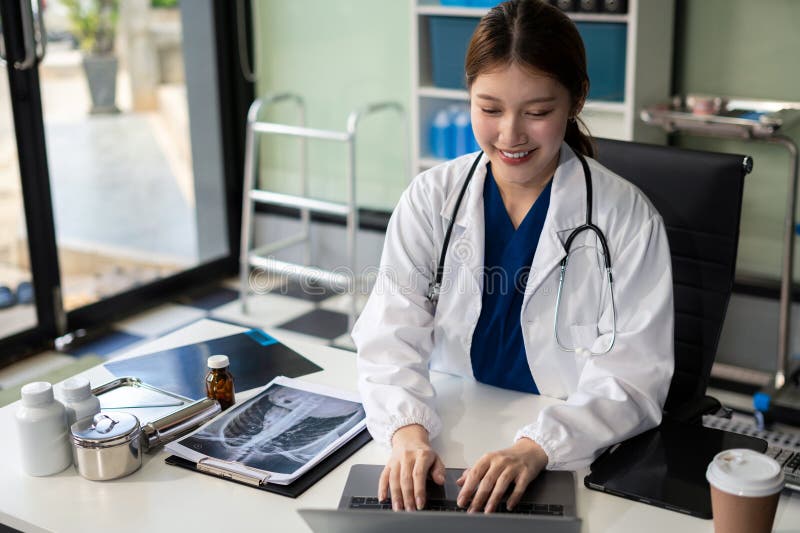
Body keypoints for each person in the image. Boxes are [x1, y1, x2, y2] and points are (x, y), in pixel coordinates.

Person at [352, 0, 674, 515]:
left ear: (575, 100)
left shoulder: (627, 219)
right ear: (469, 97)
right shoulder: (431, 198)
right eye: (490, 108)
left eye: (538, 112)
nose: (510, 135)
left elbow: (634, 377)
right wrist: (407, 434)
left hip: (571, 447)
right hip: (453, 424)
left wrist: (537, 448)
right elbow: (389, 335)